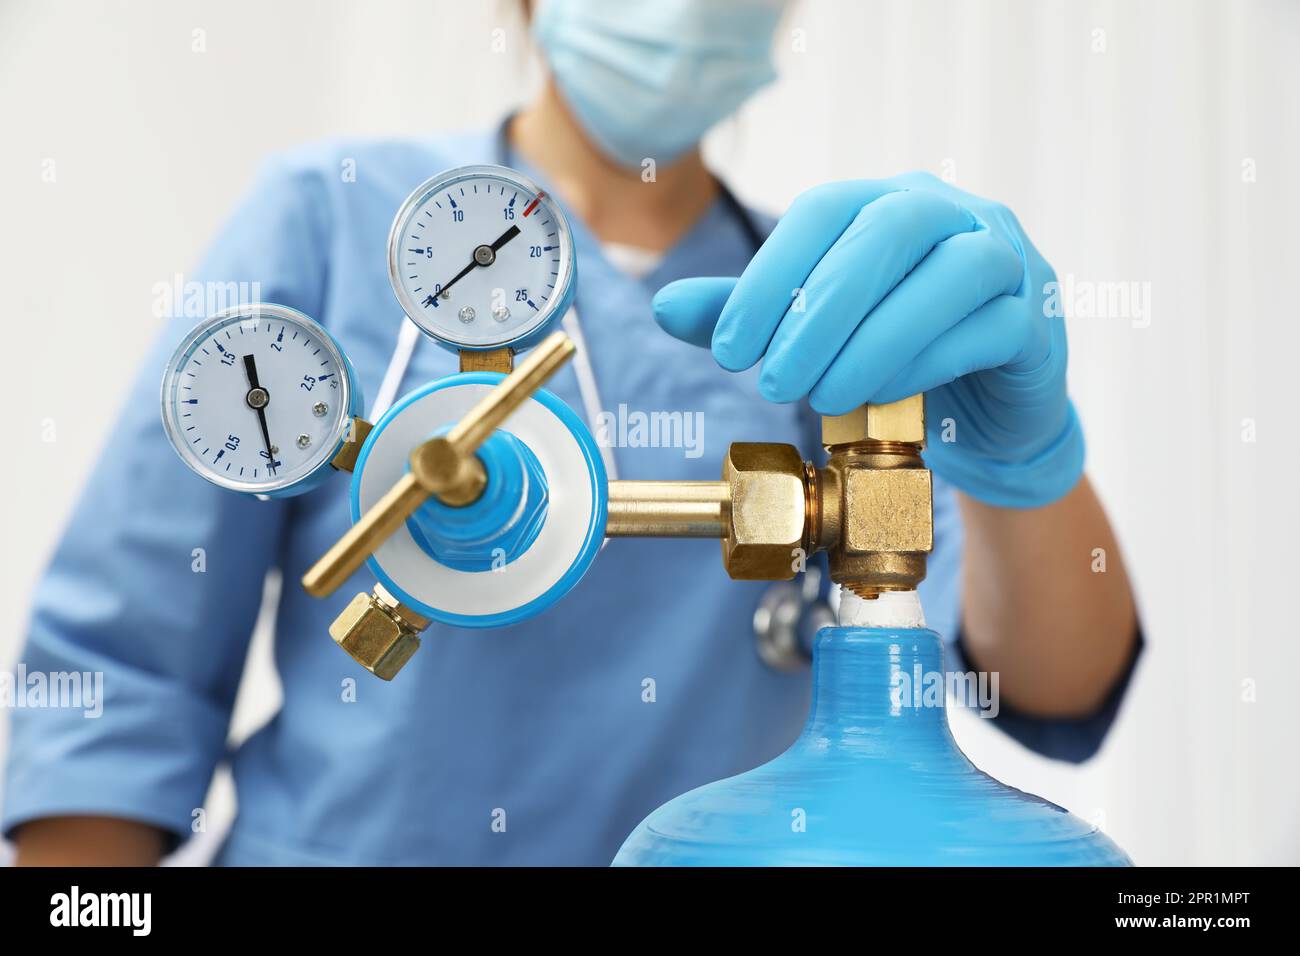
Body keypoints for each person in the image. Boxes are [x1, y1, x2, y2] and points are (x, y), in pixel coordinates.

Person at [5, 0, 1139, 866]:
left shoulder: (825, 298)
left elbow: (1048, 683)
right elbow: (115, 690)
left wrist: (1023, 461)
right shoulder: (329, 214)